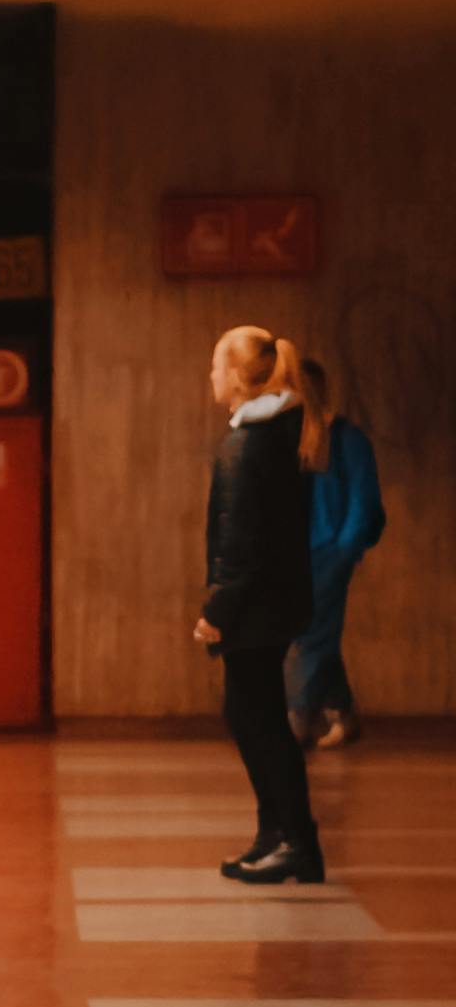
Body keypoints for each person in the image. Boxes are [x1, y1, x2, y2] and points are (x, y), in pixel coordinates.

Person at [194, 324, 323, 885]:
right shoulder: (274, 434)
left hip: (254, 609)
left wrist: (216, 612)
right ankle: (276, 834)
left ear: (240, 378)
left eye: (218, 366)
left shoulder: (248, 444)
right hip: (271, 605)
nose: (212, 376)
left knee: (259, 722)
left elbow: (241, 543)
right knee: (255, 717)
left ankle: (294, 841)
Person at [288, 355, 385, 751]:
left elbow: (365, 501)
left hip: (330, 550)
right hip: (297, 552)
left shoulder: (346, 439)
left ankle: (299, 719)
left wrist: (346, 548)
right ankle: (344, 711)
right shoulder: (297, 439)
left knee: (314, 635)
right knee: (314, 632)